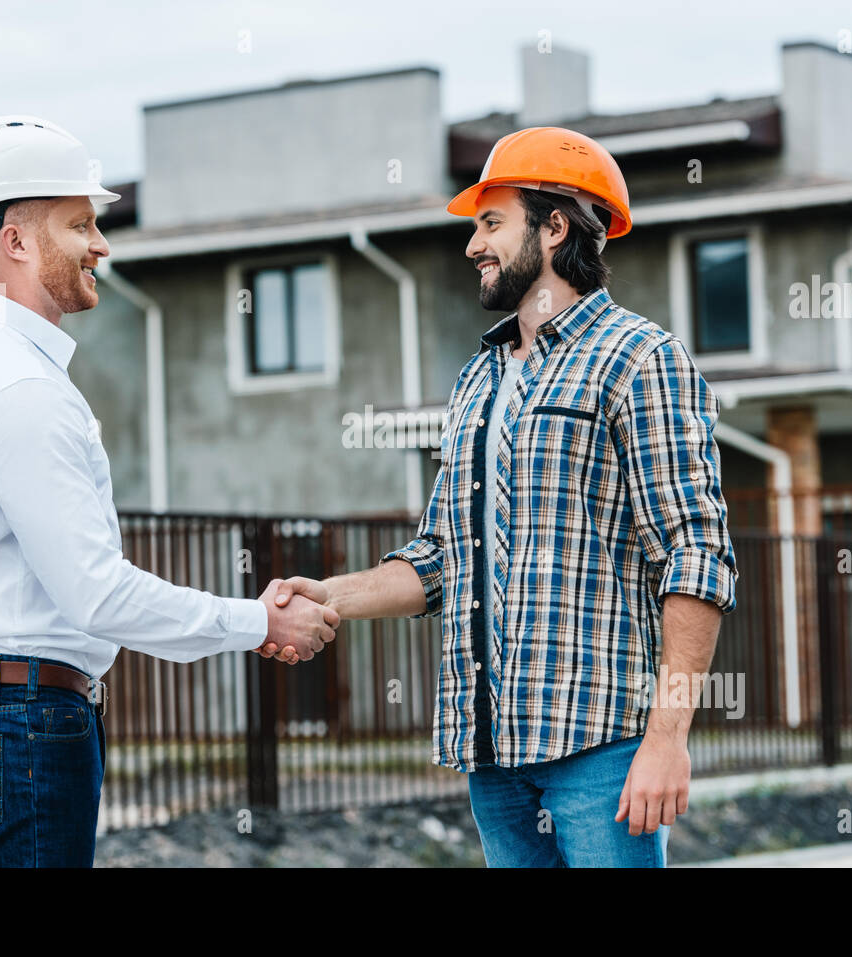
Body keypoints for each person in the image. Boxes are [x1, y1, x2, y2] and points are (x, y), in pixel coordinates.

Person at [266, 126, 738, 867]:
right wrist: (328, 595)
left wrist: (668, 737)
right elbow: (441, 559)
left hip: (601, 749)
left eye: (491, 222)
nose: (472, 245)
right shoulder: (475, 383)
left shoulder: (641, 359)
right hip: (494, 753)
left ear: (554, 226)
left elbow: (695, 554)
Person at [0, 116, 335, 867]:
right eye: (80, 224)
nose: (102, 244)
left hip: (15, 710)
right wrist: (254, 620)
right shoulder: (15, 385)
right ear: (15, 241)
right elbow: (97, 593)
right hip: (24, 717)